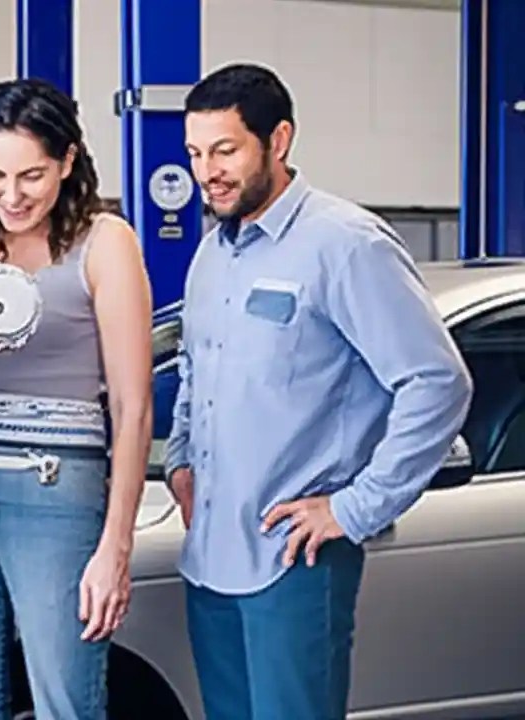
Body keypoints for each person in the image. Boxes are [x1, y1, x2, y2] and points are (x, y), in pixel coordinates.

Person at [164, 62, 474, 720]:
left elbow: (436, 382)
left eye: (225, 151)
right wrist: (181, 457)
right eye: (195, 153)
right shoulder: (212, 252)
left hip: (292, 562)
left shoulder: (345, 244)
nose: (206, 171)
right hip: (209, 558)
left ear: (278, 140)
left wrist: (355, 508)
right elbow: (195, 365)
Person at [0, 77, 154, 719]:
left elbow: (133, 410)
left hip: (55, 496)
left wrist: (116, 547)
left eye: (31, 176)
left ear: (67, 161)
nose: (11, 195)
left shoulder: (105, 241)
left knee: (66, 705)